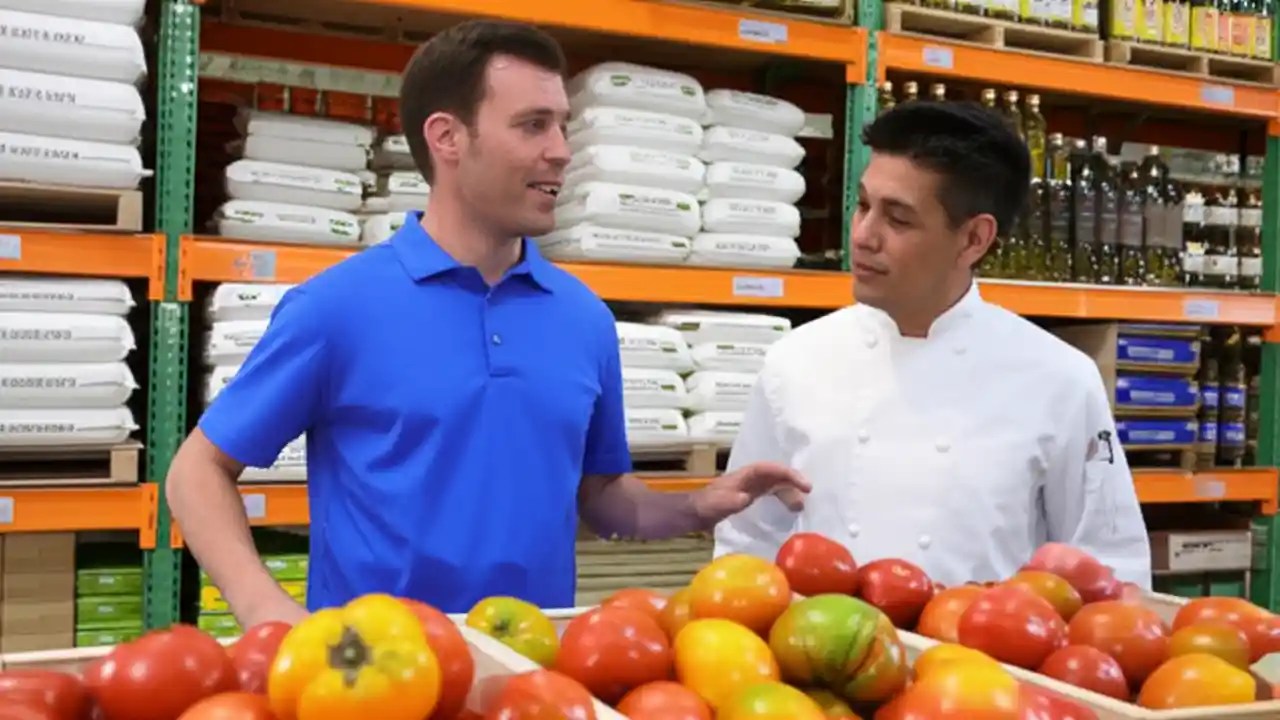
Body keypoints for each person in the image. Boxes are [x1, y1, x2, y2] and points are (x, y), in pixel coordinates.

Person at [166, 19, 808, 626]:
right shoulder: (337, 309)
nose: (561, 152)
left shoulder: (583, 318)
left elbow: (602, 494)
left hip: (531, 669)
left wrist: (698, 506)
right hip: (374, 679)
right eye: (533, 125)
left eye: (562, 126)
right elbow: (197, 472)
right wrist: (262, 607)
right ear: (447, 137)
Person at [712, 100, 1152, 589]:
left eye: (897, 219)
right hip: (824, 656)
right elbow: (745, 546)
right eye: (863, 205)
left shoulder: (1060, 379)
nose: (863, 235)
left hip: (987, 660)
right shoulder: (794, 361)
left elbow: (1108, 568)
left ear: (973, 240)